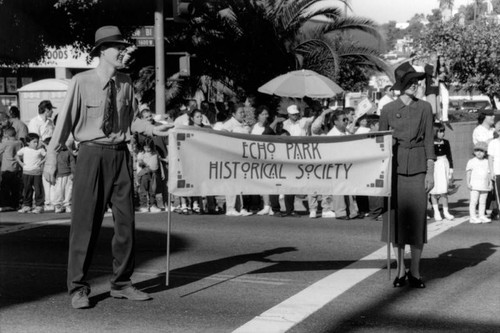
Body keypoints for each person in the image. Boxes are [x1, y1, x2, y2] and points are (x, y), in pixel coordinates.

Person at [43, 26, 174, 309]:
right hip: (91, 155)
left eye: (124, 47)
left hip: (120, 156)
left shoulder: (126, 83)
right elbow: (63, 122)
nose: (124, 52)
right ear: (103, 51)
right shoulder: (80, 81)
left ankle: (122, 283)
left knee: (126, 223)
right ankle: (78, 288)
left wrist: (154, 128)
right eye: (118, 47)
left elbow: (130, 124)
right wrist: (52, 156)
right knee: (84, 225)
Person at [379, 61, 436, 289]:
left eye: (417, 81)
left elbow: (430, 140)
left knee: (416, 221)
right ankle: (400, 269)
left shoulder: (424, 108)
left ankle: (415, 270)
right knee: (397, 223)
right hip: (395, 170)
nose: (415, 85)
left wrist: (430, 172)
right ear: (401, 85)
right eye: (410, 82)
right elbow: (379, 144)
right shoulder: (388, 110)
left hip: (418, 168)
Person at [327, 109, 360, 219]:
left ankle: (351, 211)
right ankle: (340, 212)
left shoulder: (346, 132)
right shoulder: (331, 135)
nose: (346, 121)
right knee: (339, 189)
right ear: (335, 122)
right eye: (343, 119)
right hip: (337, 165)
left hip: (347, 163)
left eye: (346, 119)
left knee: (348, 189)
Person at [221, 104, 253, 216]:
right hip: (231, 157)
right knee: (231, 182)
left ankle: (241, 207)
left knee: (240, 182)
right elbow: (222, 135)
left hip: (242, 157)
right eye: (240, 112)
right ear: (233, 114)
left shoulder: (244, 125)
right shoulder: (229, 124)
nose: (243, 114)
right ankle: (230, 208)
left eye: (243, 112)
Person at [429, 122, 454, 221]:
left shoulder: (446, 142)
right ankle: (436, 211)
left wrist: (451, 170)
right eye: (439, 131)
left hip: (444, 165)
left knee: (444, 191)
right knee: (434, 191)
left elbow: (449, 156)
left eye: (443, 131)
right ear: (434, 132)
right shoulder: (430, 143)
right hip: (435, 165)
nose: (442, 133)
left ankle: (446, 211)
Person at [17, 133, 46, 214]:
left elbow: (47, 156)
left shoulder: (40, 150)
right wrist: (21, 163)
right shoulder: (24, 149)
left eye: (37, 142)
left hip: (37, 173)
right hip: (26, 173)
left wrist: (41, 162)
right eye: (34, 142)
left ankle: (39, 206)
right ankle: (27, 206)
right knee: (27, 189)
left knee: (38, 190)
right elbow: (17, 156)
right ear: (28, 143)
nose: (36, 144)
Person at [467, 142, 492, 223]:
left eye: (481, 151)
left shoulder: (487, 162)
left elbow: (489, 173)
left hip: (484, 185)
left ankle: (481, 216)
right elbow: (468, 173)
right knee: (474, 201)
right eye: (477, 150)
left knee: (483, 202)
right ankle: (473, 217)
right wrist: (468, 183)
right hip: (474, 185)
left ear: (485, 153)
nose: (479, 152)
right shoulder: (471, 161)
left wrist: (490, 183)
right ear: (474, 151)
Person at [136, 138, 162, 213]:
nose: (147, 149)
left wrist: (162, 173)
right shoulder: (141, 153)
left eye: (149, 147)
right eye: (145, 147)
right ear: (143, 147)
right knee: (143, 191)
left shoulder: (155, 153)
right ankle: (144, 206)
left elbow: (159, 163)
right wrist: (142, 163)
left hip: (153, 174)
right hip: (144, 174)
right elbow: (139, 162)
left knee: (152, 190)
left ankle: (152, 205)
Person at [0, 127, 23, 211]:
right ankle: (15, 204)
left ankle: (6, 204)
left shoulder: (6, 143)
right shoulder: (19, 142)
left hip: (6, 168)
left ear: (6, 134)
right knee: (15, 188)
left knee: (5, 187)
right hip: (16, 168)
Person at [52, 141, 75, 213]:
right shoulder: (54, 153)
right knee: (59, 191)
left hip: (68, 174)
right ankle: (58, 205)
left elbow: (72, 163)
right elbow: (52, 165)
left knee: (69, 191)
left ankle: (67, 205)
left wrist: (73, 173)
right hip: (58, 175)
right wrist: (53, 175)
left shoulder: (69, 152)